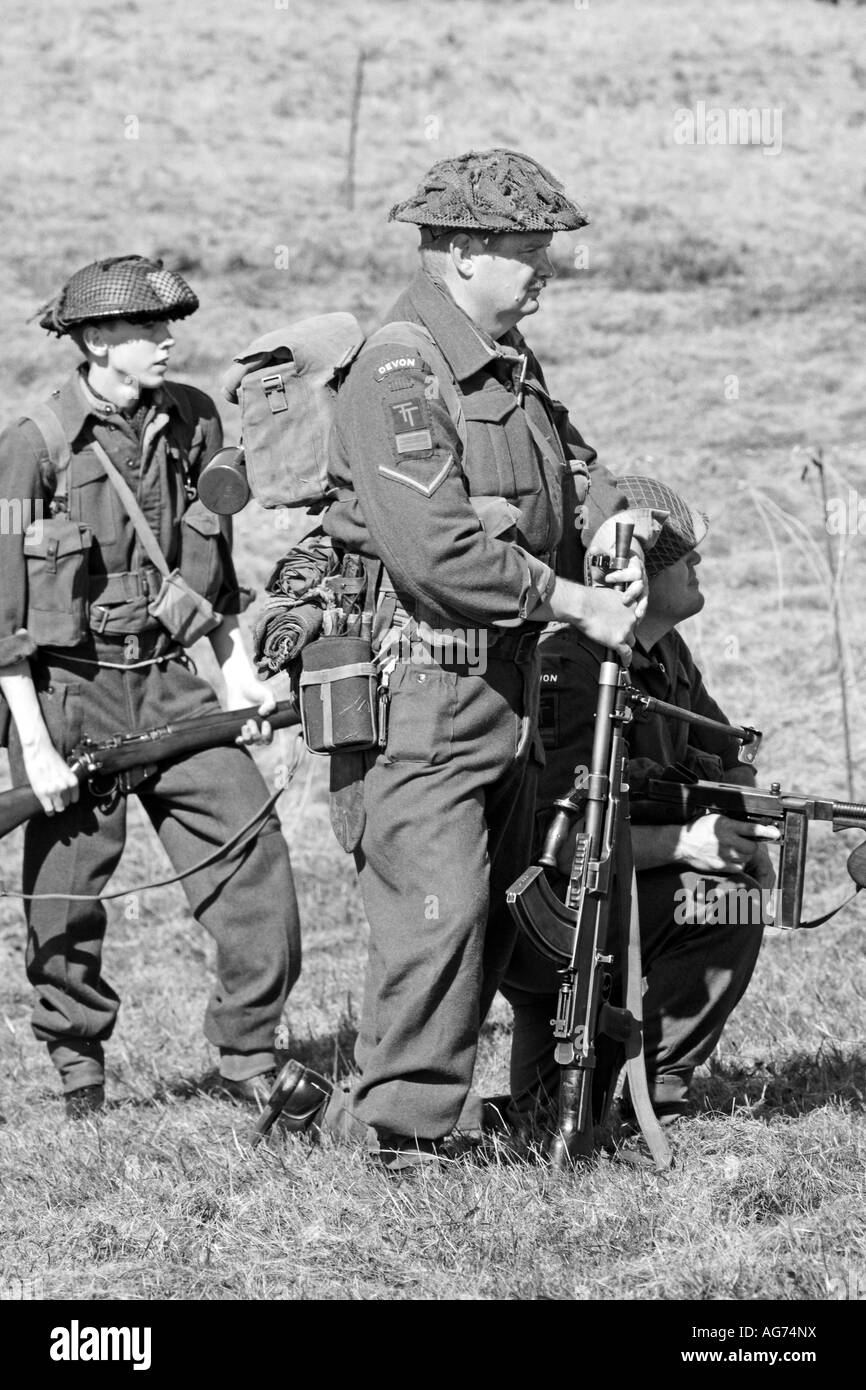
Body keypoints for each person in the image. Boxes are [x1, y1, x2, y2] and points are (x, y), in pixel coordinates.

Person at [274, 149, 663, 1170]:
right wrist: (573, 599)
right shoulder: (401, 368)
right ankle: (400, 1137)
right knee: (434, 914)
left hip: (506, 690)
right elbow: (440, 552)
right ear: (457, 253)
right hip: (421, 695)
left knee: (514, 910)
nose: (545, 269)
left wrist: (617, 533)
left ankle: (510, 1103)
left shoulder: (510, 361)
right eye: (526, 252)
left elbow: (582, 472)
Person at [0, 255, 301, 1118]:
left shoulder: (198, 420)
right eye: (145, 330)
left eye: (167, 327)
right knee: (65, 902)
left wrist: (241, 686)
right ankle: (79, 1072)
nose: (166, 342)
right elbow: (5, 621)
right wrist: (35, 749)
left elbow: (221, 581)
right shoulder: (32, 447)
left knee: (258, 871)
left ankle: (250, 1057)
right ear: (96, 341)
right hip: (71, 693)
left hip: (175, 687)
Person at [501, 475, 776, 1134]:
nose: (699, 563)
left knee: (552, 1119)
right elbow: (561, 847)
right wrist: (689, 845)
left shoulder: (665, 652)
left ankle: (627, 1093)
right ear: (639, 577)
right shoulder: (572, 667)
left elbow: (726, 744)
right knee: (725, 904)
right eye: (683, 555)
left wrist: (749, 815)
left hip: (620, 896)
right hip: (562, 917)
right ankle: (653, 1089)